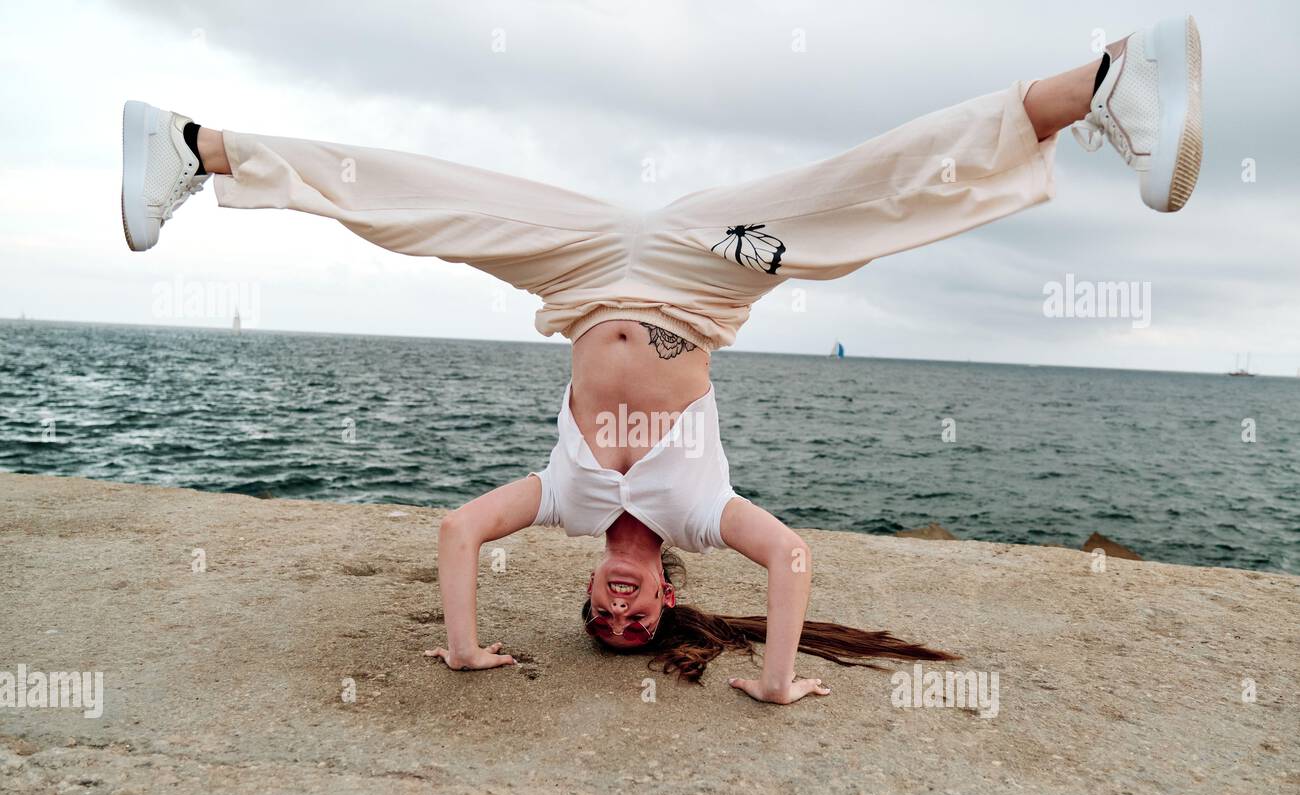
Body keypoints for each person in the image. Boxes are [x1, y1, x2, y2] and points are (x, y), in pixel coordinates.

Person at [121, 16, 1203, 704]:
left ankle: (190, 144)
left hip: (584, 269)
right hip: (702, 271)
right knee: (873, 191)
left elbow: (456, 530)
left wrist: (462, 647)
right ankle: (1109, 77)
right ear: (663, 594)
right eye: (640, 622)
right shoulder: (703, 514)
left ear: (591, 587)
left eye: (606, 615)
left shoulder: (559, 500)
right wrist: (775, 682)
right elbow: (789, 562)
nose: (626, 611)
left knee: (419, 200)